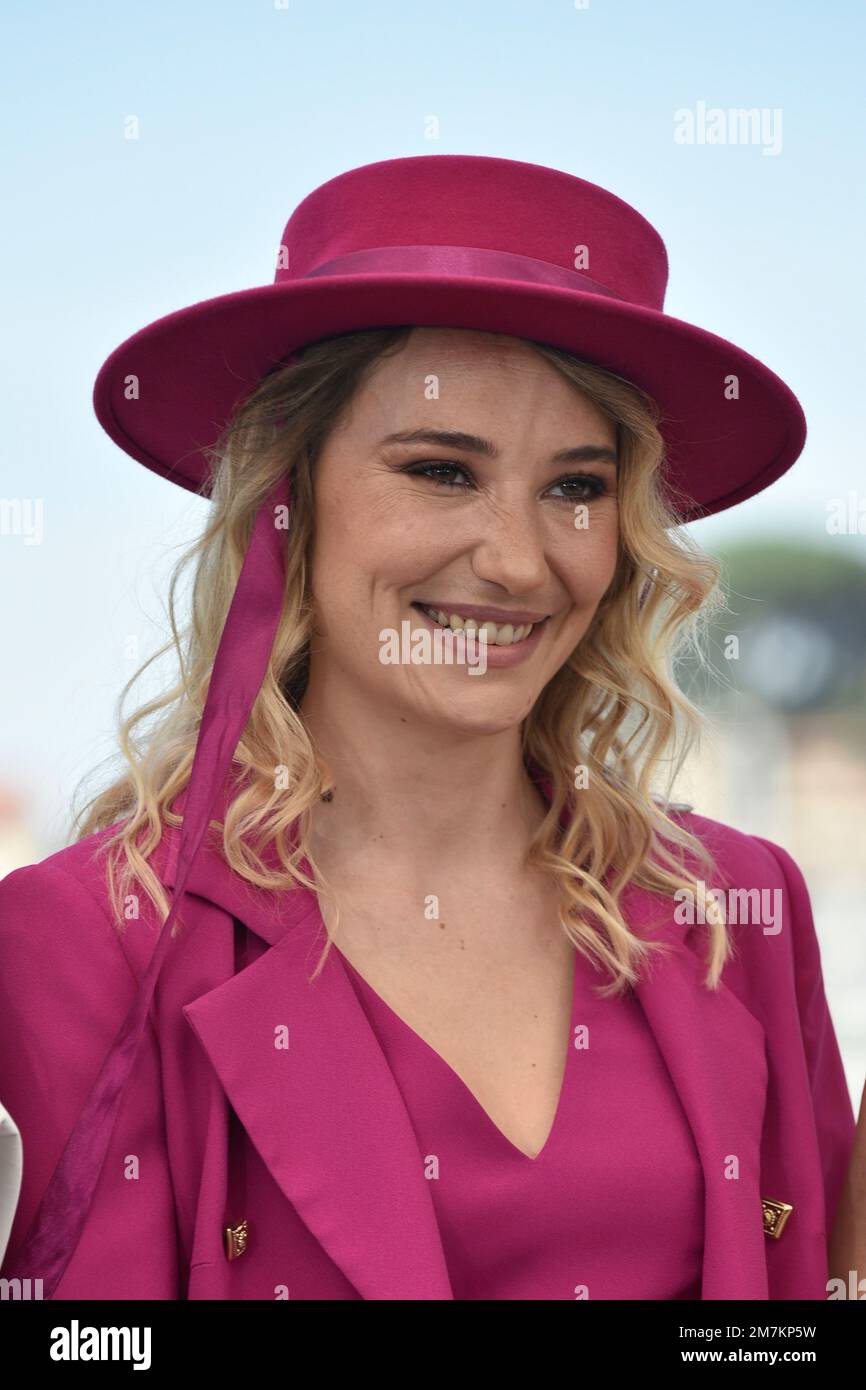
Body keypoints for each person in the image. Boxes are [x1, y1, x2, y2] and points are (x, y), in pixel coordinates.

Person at [0, 154, 858, 1301]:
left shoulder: (738, 909)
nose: (515, 560)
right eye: (443, 470)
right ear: (284, 503)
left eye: (574, 487)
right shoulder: (77, 940)